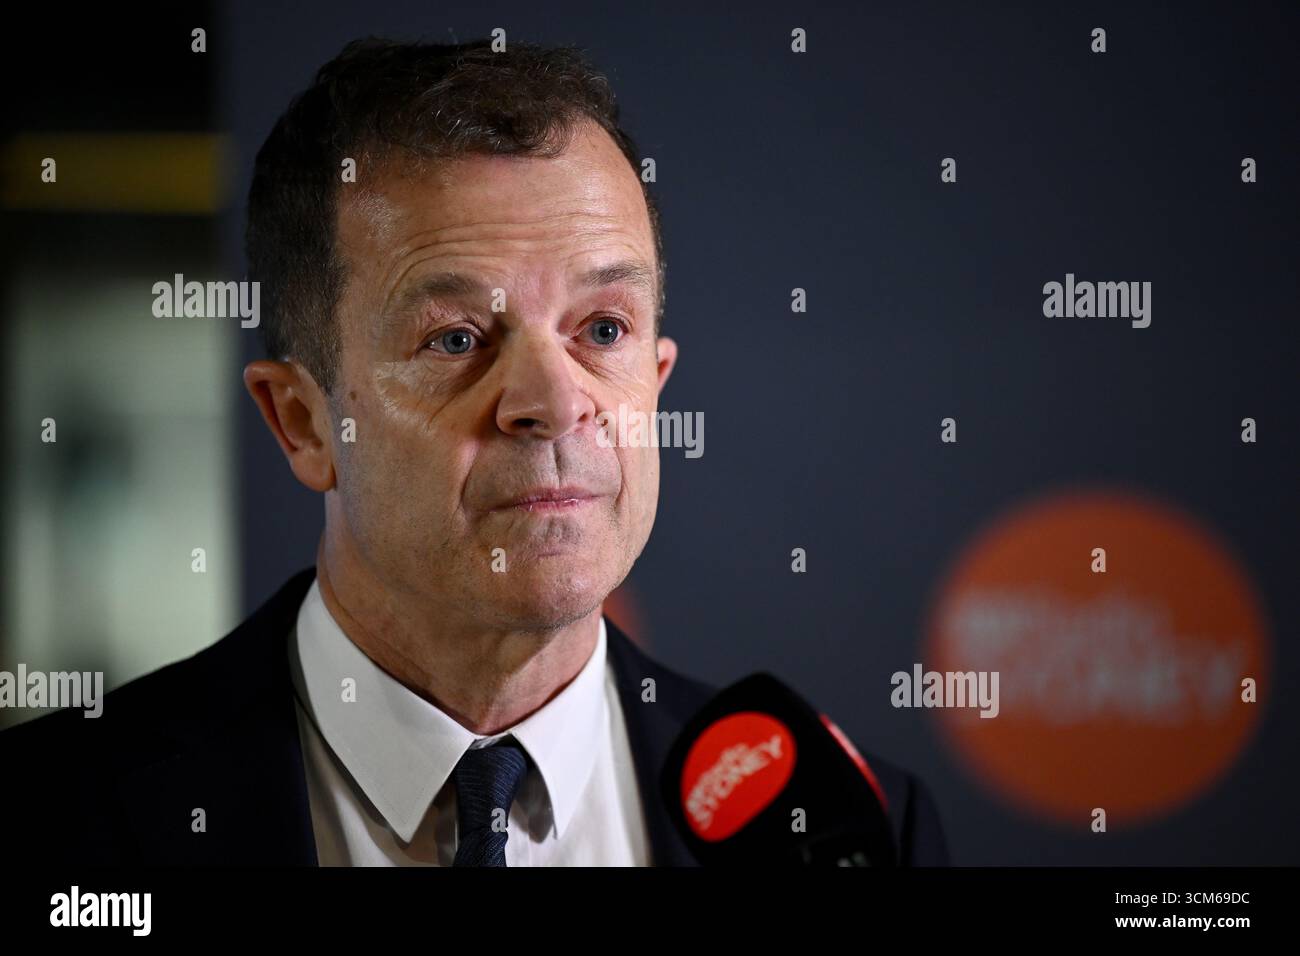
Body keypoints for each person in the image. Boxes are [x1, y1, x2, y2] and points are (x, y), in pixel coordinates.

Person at [0, 37, 948, 866]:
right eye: (455, 338)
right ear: (302, 421)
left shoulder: (845, 831)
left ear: (657, 381)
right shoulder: (53, 818)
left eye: (604, 328)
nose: (550, 402)